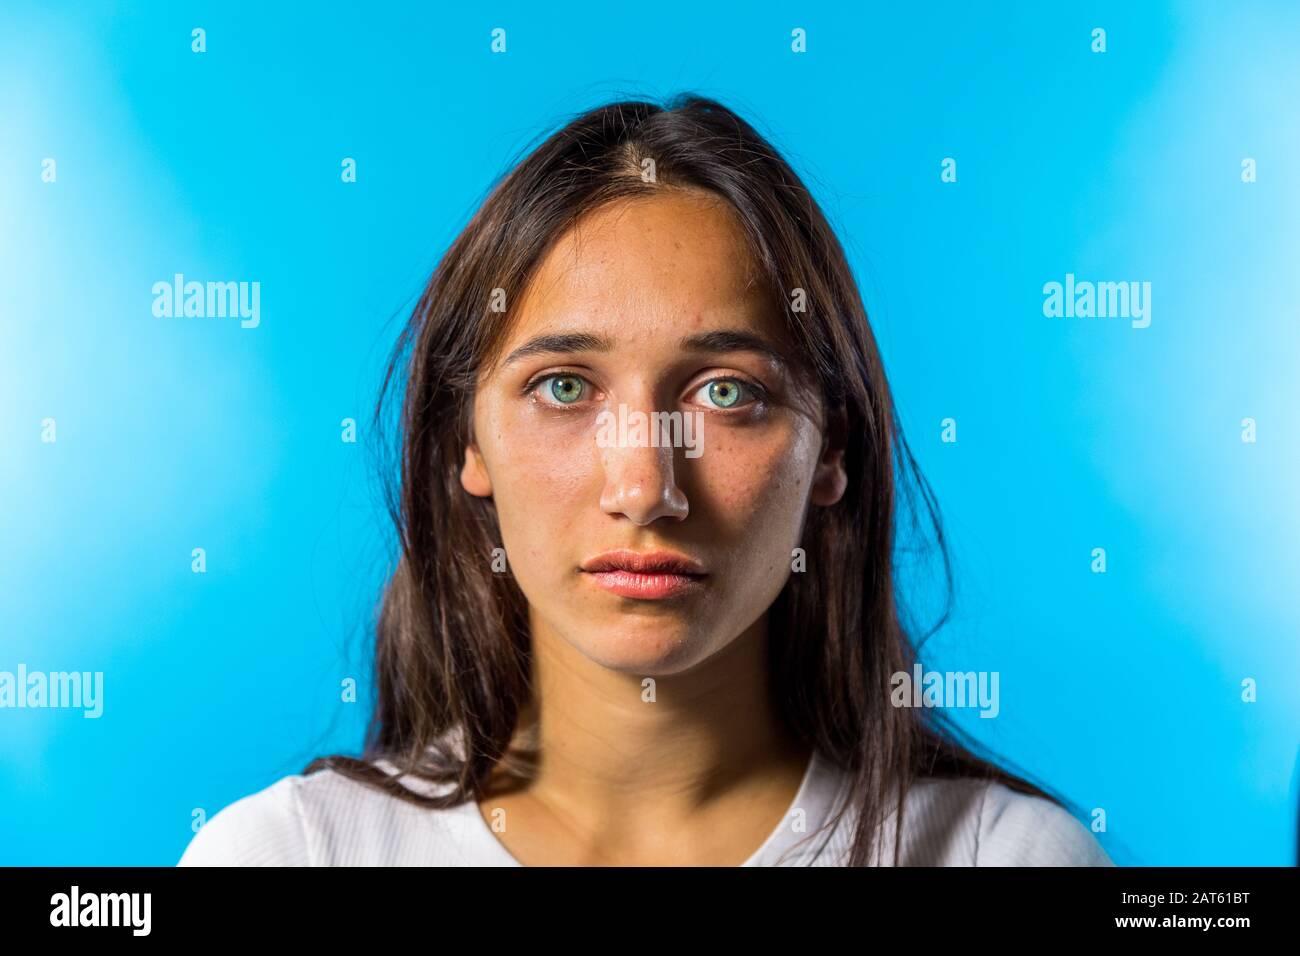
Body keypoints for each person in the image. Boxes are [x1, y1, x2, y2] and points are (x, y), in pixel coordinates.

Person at [178, 95, 1113, 867]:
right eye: (564, 387)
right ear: (469, 443)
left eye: (726, 392)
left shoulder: (1004, 858)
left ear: (833, 450)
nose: (646, 486)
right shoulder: (284, 854)